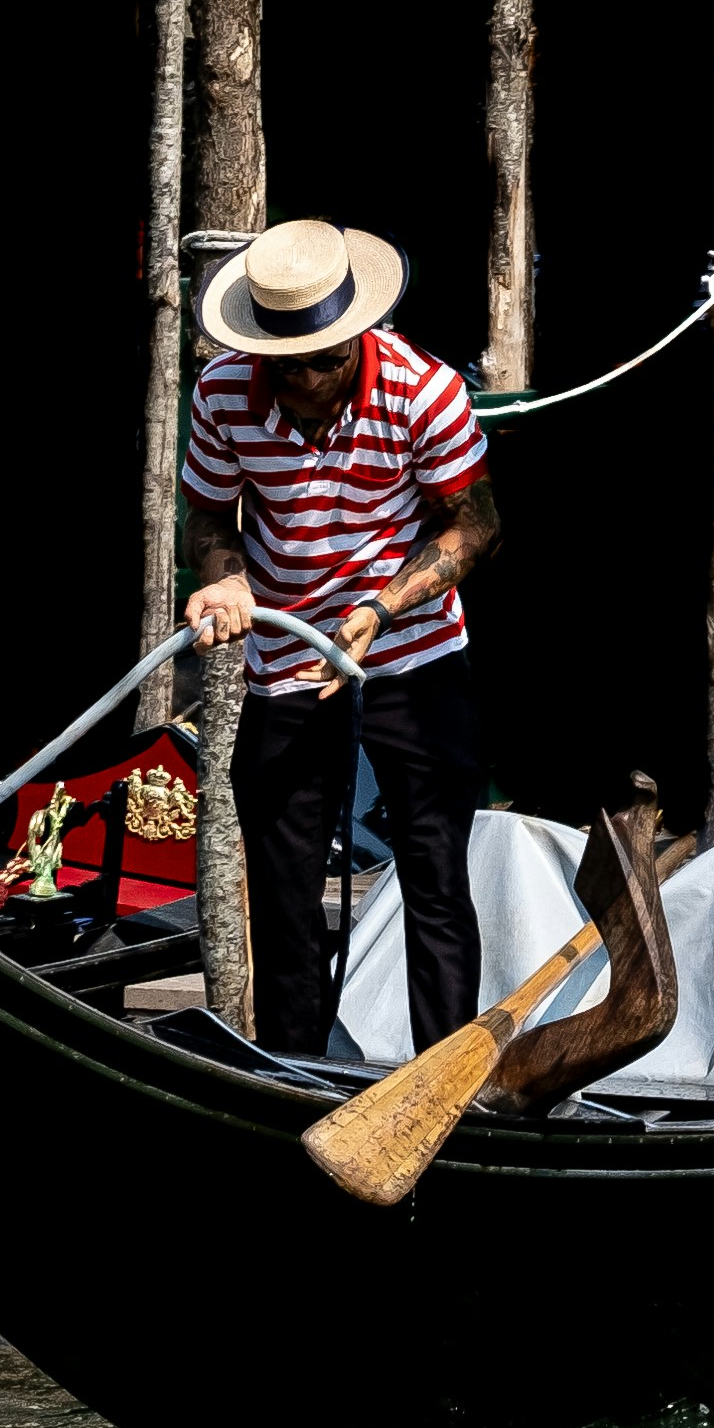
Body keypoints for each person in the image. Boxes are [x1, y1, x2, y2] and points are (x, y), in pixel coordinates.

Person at [176, 217, 502, 1056]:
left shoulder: (425, 391)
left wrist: (381, 609)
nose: (304, 384)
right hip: (286, 659)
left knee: (434, 877)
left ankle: (441, 1084)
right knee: (283, 892)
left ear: (354, 342)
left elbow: (477, 529)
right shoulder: (223, 393)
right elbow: (210, 514)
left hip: (413, 652)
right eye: (285, 369)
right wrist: (226, 576)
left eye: (321, 364)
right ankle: (291, 1077)